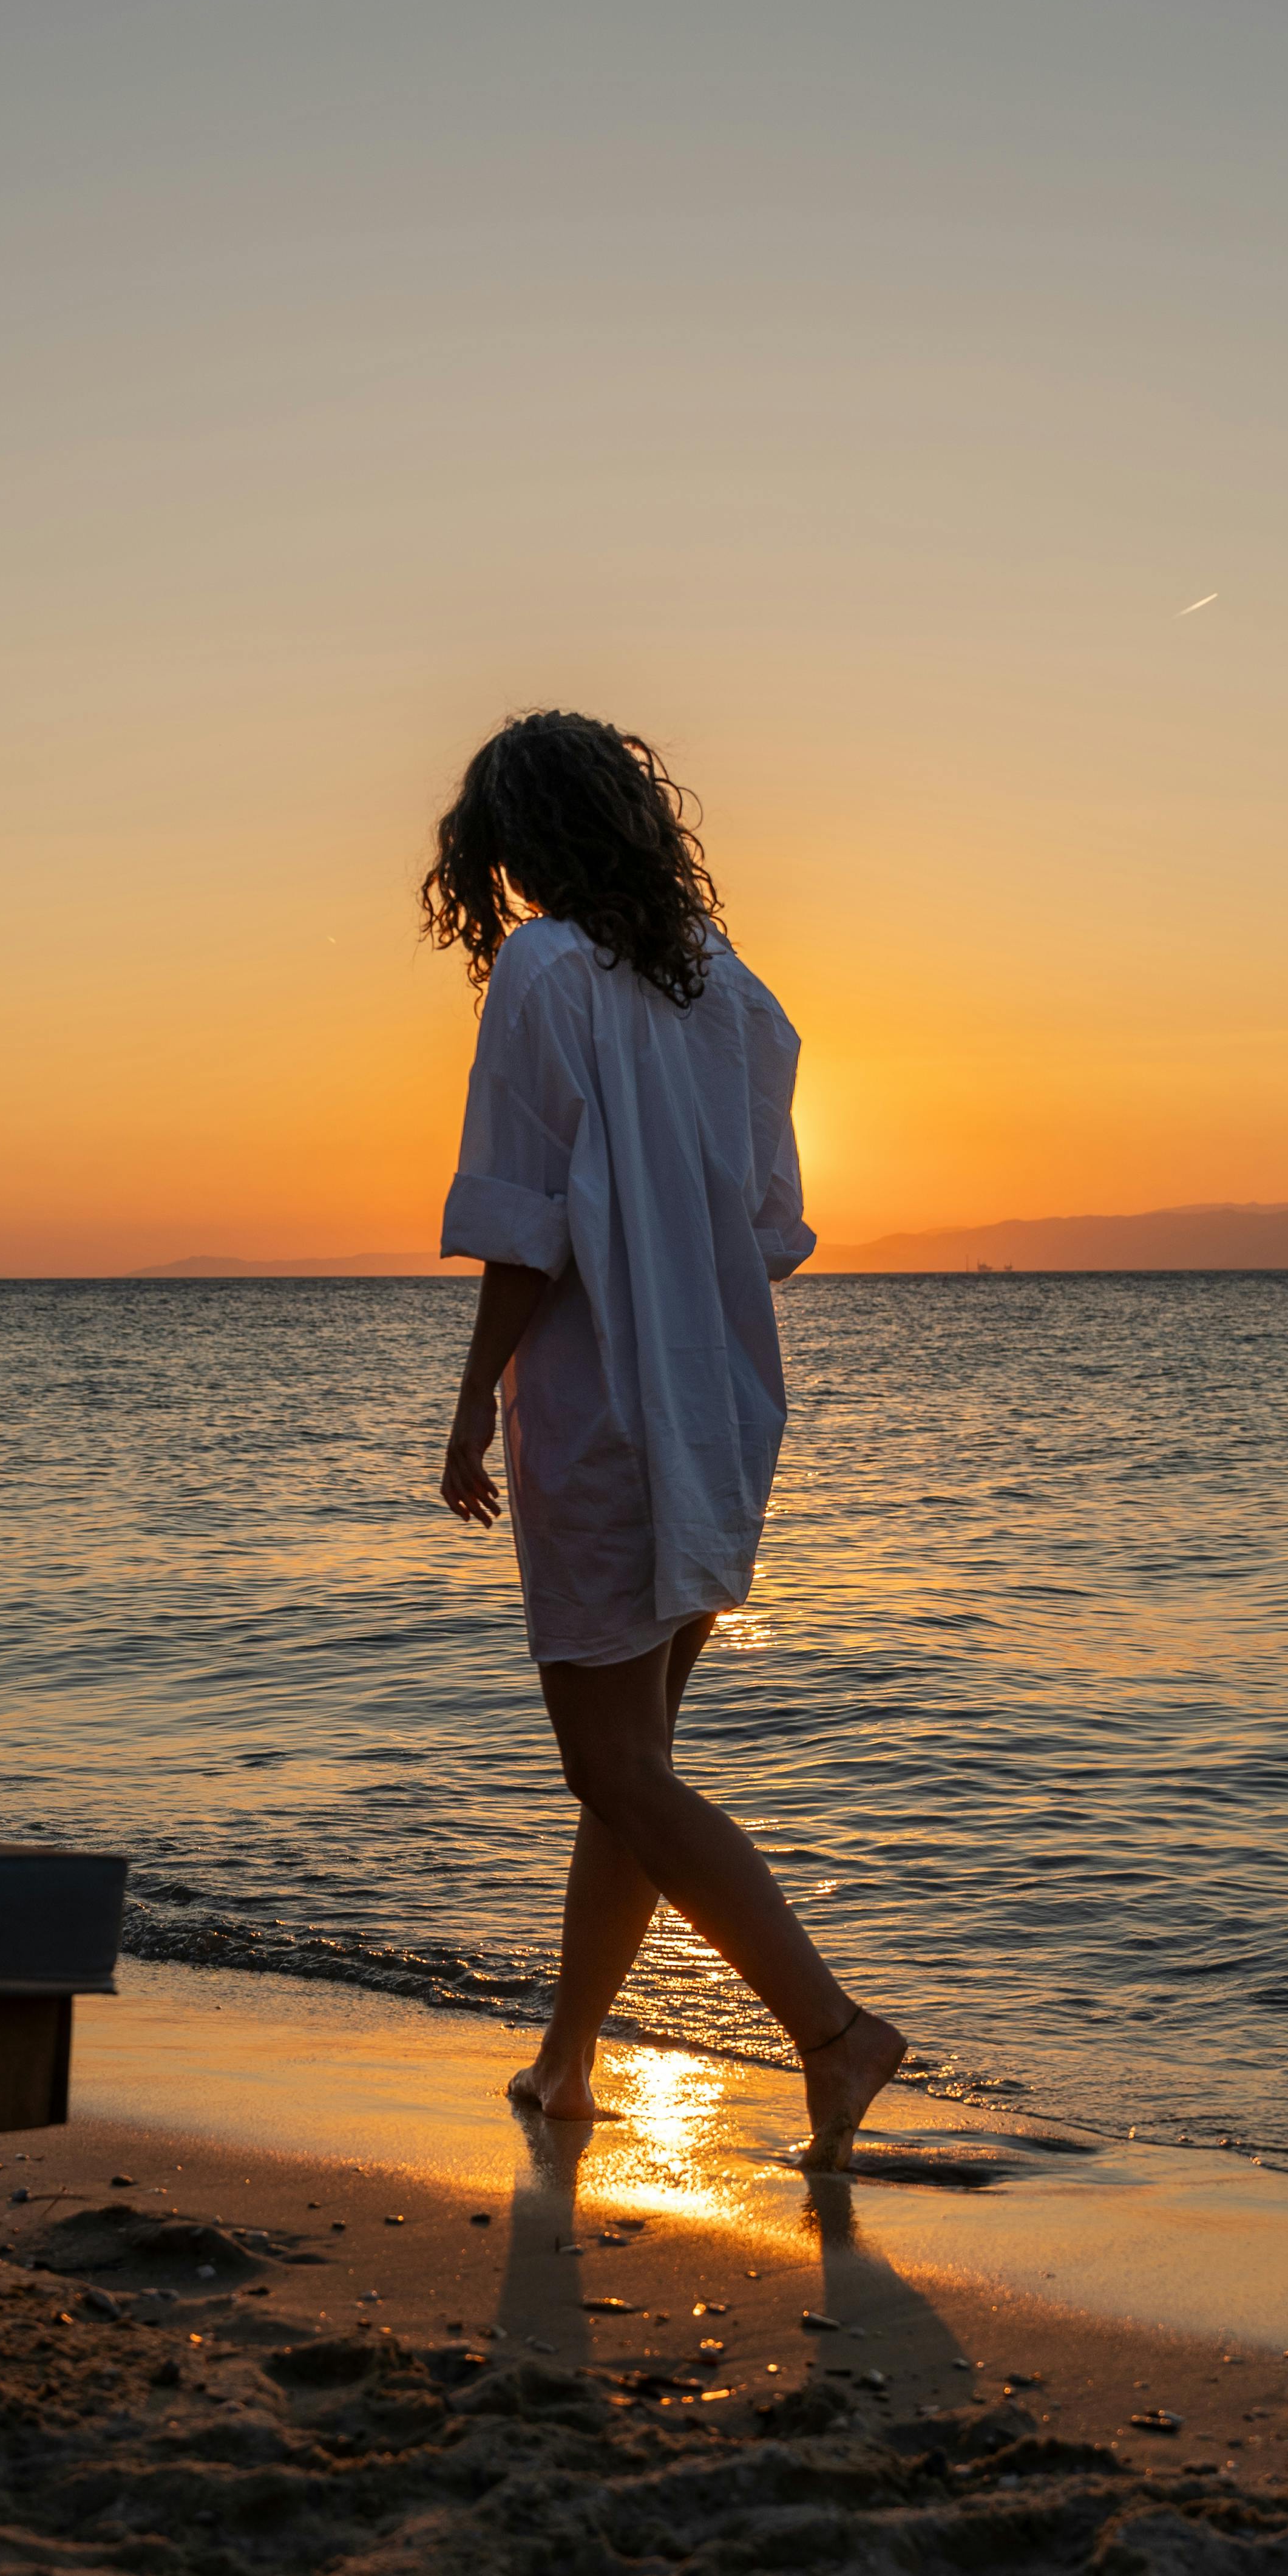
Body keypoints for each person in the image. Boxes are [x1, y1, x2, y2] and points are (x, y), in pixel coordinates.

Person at [425, 707, 906, 2167]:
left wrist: (468, 1403)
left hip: (603, 1405)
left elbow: (525, 1215)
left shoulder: (542, 967)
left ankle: (831, 2034)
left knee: (613, 1768)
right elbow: (770, 1230)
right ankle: (567, 2063)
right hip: (721, 1401)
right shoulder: (737, 995)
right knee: (631, 1758)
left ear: (512, 845)